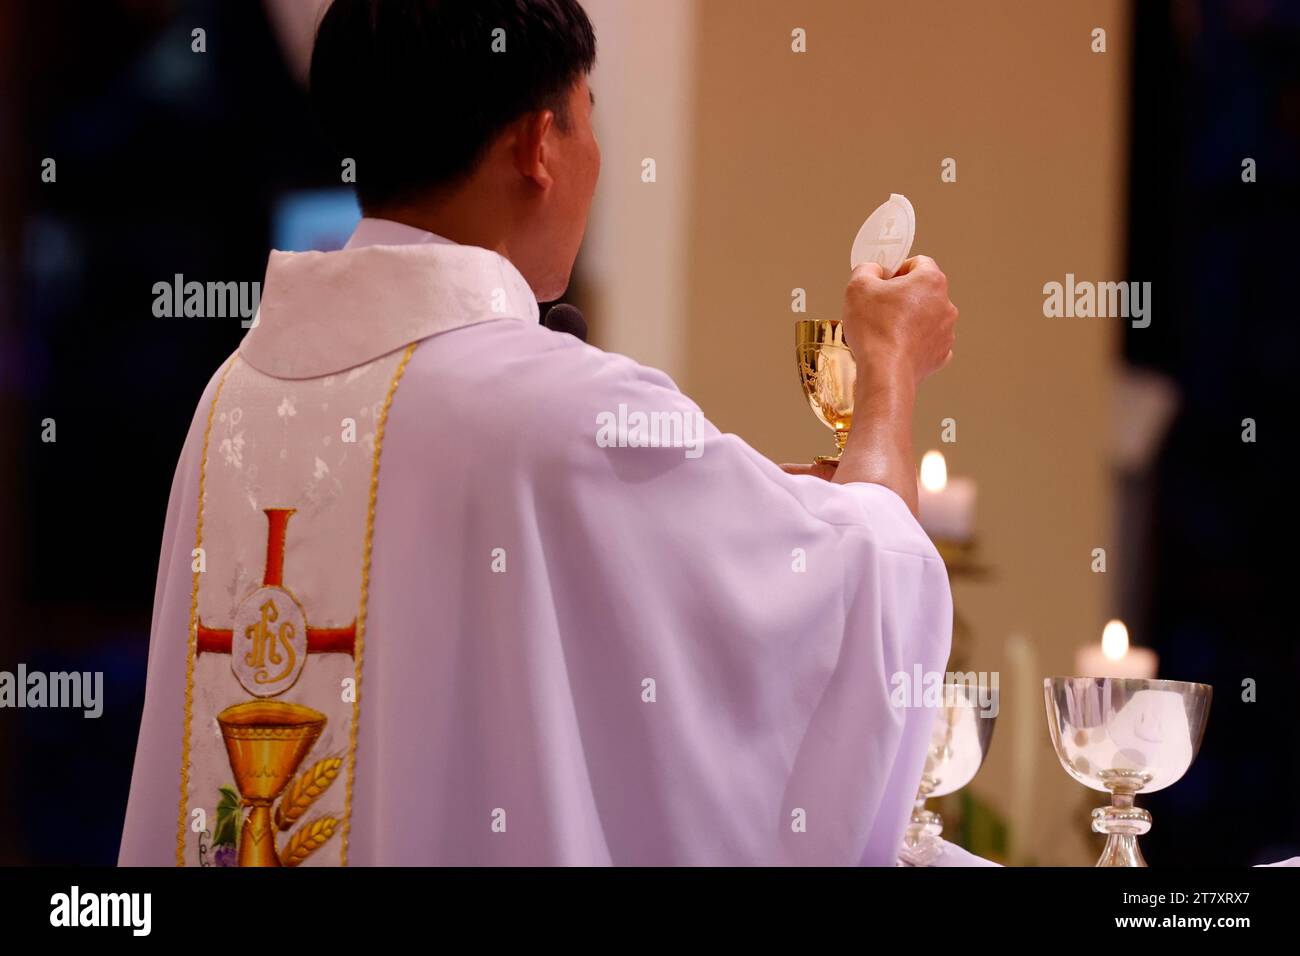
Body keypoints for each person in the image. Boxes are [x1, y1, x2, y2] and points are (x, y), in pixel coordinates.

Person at [119, 0, 966, 867]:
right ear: (538, 144)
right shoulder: (565, 409)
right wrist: (890, 366)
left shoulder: (232, 401)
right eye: (588, 117)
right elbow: (862, 592)